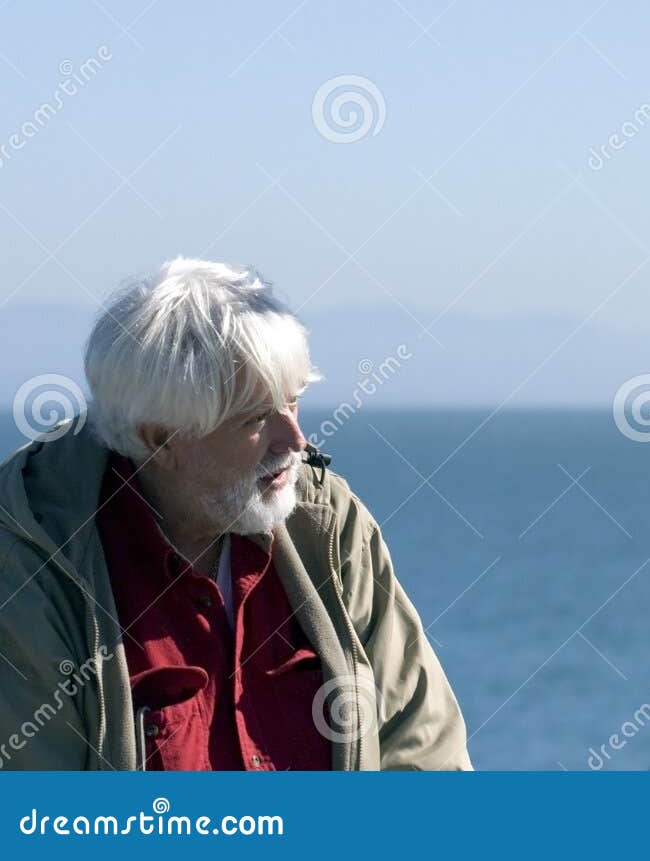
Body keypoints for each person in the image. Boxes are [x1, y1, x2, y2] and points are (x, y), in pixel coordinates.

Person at [0, 257, 470, 770]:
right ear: (159, 439)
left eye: (293, 404)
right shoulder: (28, 565)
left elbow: (422, 750)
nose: (295, 441)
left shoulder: (329, 524)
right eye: (255, 419)